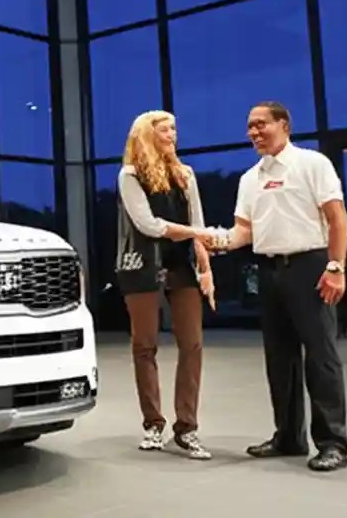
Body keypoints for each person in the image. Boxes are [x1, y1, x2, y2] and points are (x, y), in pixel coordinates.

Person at [204, 101, 347, 472]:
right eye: (250, 127)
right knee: (279, 359)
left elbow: (336, 217)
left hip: (312, 266)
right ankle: (288, 437)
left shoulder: (312, 164)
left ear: (284, 125)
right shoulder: (249, 178)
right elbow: (244, 231)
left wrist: (336, 266)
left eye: (261, 124)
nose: (254, 132)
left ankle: (333, 443)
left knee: (321, 357)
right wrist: (214, 240)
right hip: (270, 272)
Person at [114, 111, 215, 460]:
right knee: (145, 346)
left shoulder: (185, 174)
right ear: (146, 134)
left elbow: (198, 224)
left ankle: (186, 428)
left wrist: (206, 268)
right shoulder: (130, 175)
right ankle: (152, 425)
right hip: (143, 266)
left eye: (174, 128)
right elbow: (149, 225)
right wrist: (196, 233)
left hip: (180, 266)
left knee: (193, 344)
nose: (172, 134)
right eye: (164, 129)